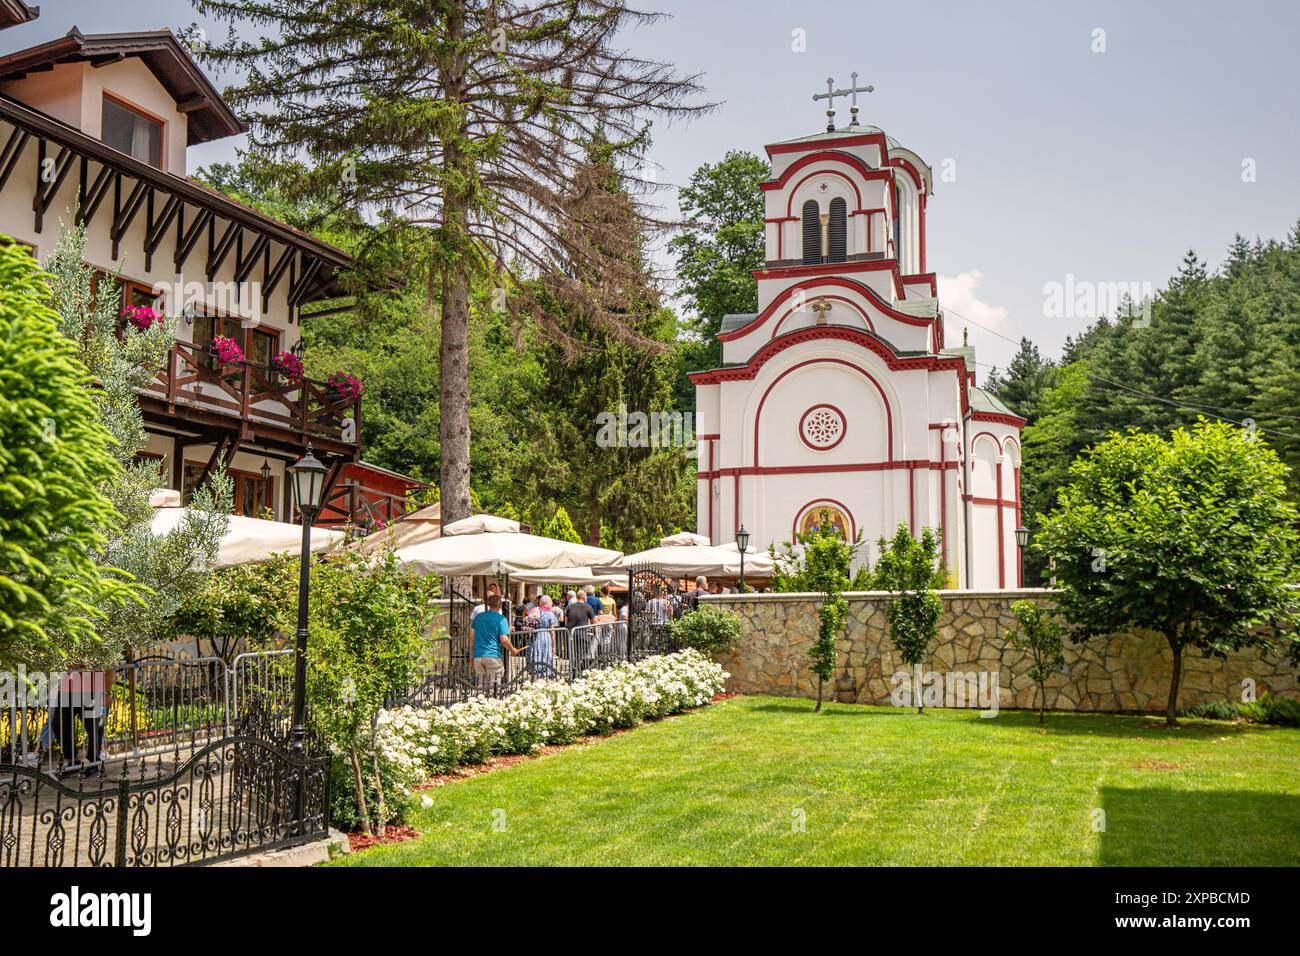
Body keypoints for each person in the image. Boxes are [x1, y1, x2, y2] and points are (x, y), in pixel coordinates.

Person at [471, 593, 519, 692]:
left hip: (478, 655)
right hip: (492, 655)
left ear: (488, 604)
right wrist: (512, 649)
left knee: (481, 685)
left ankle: (479, 705)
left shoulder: (479, 617)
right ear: (500, 605)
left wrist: (471, 655)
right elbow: (504, 639)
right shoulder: (501, 619)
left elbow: (472, 637)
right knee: (494, 687)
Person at [525, 595, 558, 677]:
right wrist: (554, 645)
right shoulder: (550, 614)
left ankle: (535, 671)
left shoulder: (534, 610)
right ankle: (546, 672)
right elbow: (552, 631)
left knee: (536, 651)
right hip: (546, 635)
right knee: (546, 652)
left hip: (535, 634)